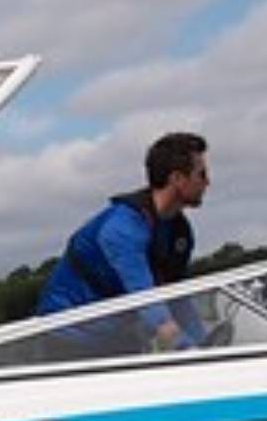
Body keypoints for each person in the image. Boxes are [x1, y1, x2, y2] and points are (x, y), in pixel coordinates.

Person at [35, 131, 212, 355]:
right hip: (68, 335)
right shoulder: (122, 229)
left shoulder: (179, 232)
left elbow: (177, 297)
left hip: (115, 332)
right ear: (177, 179)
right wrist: (188, 349)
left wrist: (204, 345)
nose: (208, 182)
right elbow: (148, 304)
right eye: (201, 174)